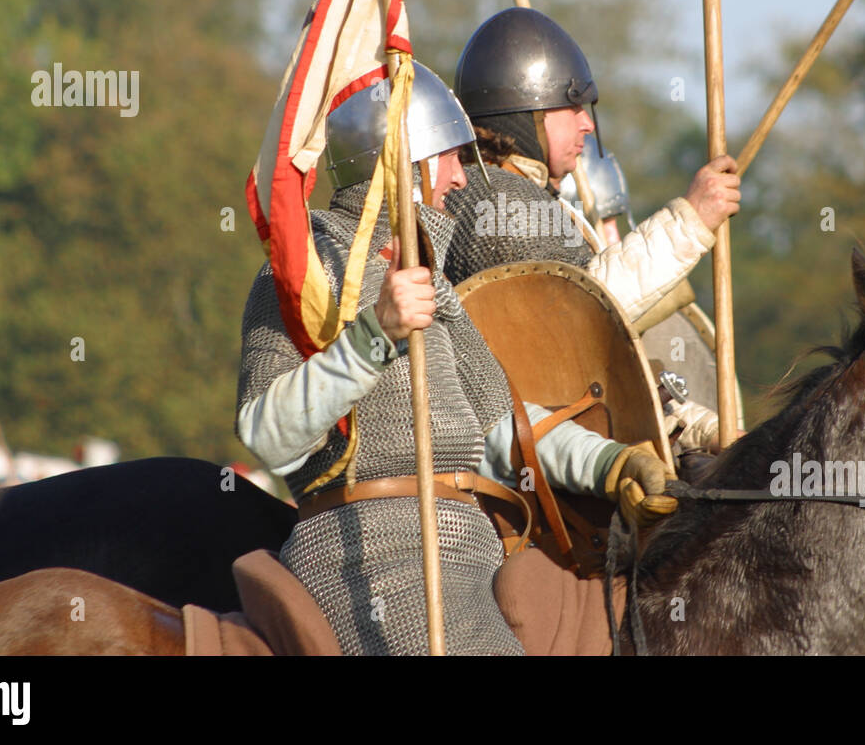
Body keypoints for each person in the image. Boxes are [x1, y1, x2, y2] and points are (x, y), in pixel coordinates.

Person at [233, 62, 674, 655]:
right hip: (374, 550)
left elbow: (505, 427)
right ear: (402, 165)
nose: (461, 181)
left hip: (469, 553)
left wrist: (613, 466)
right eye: (447, 157)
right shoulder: (309, 267)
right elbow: (267, 433)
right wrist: (375, 334)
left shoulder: (432, 283)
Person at [441, 8, 743, 450]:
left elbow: (602, 361)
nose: (587, 122)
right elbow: (578, 317)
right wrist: (691, 219)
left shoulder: (526, 195)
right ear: (529, 111)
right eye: (571, 106)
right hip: (528, 467)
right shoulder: (498, 202)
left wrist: (701, 429)